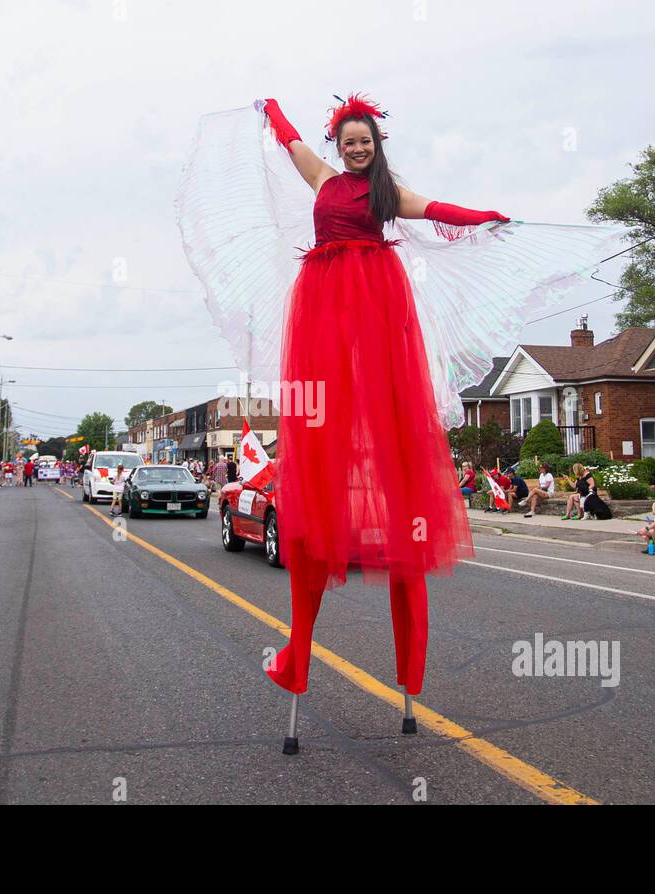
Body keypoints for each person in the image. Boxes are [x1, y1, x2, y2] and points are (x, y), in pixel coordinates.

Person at [257, 94, 504, 698]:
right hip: (321, 302)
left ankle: (409, 673)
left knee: (384, 397)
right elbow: (292, 146)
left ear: (377, 144)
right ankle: (300, 651)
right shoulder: (322, 177)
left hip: (373, 300)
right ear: (338, 145)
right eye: (348, 141)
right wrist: (273, 111)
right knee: (323, 406)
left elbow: (437, 208)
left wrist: (482, 216)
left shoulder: (388, 195)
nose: (356, 148)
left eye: (365, 140)